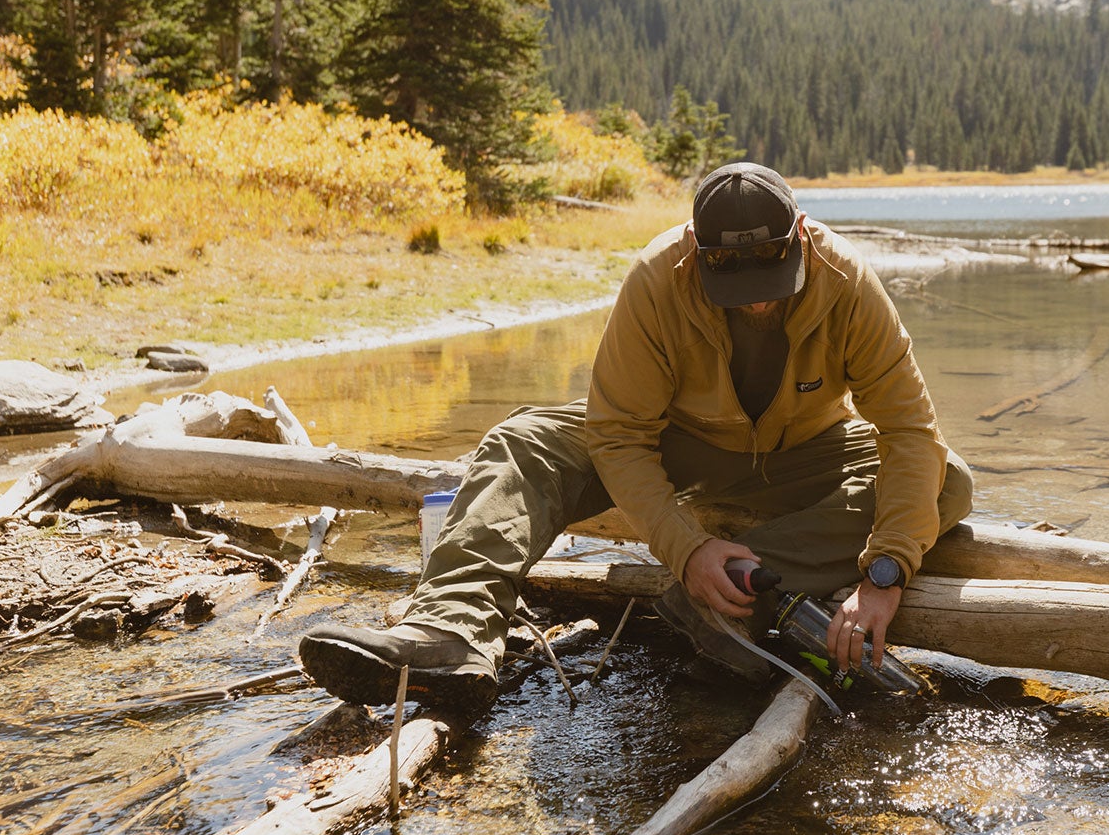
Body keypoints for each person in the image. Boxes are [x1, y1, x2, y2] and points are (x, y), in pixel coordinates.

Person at [297, 162, 973, 714]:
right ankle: (451, 632)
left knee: (947, 479)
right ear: (695, 248)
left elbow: (910, 430)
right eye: (735, 289)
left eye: (771, 282)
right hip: (681, 445)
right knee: (524, 440)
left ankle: (731, 598)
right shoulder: (658, 279)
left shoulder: (846, 281)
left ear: (800, 231)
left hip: (806, 453)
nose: (758, 303)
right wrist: (686, 545)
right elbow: (617, 435)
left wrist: (884, 575)